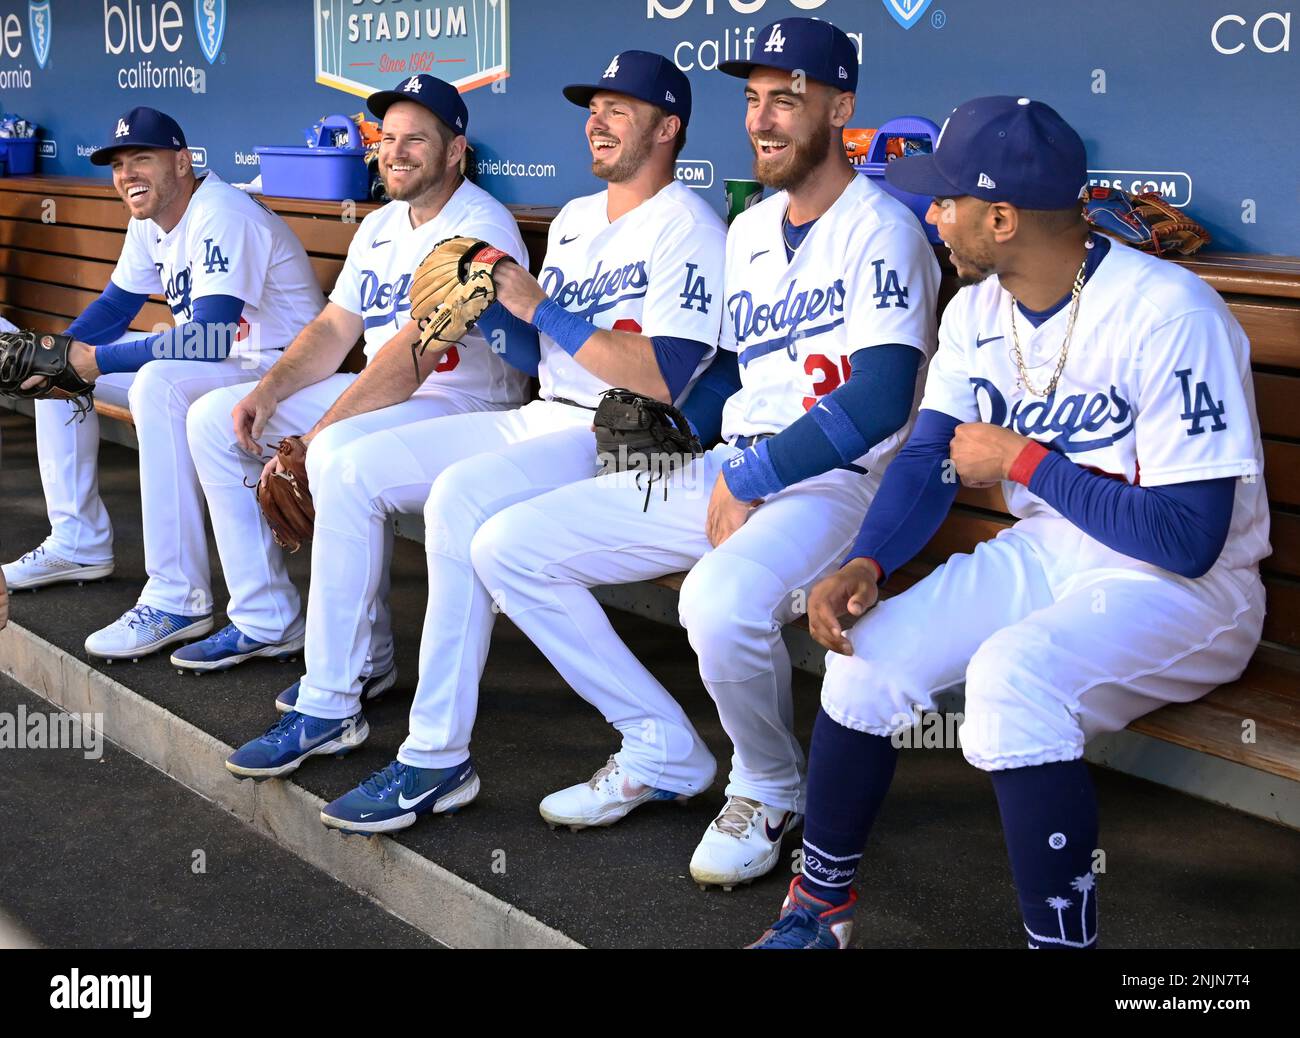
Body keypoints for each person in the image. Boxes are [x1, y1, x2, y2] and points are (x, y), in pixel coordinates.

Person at [748, 96, 1268, 949]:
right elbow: (926, 458)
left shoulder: (1170, 314)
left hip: (1187, 588)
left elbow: (1190, 538)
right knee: (865, 659)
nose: (931, 214)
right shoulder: (975, 308)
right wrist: (868, 562)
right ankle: (820, 908)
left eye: (945, 200)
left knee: (1010, 681)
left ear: (1000, 216)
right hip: (1051, 547)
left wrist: (1026, 463)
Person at [472, 17, 940, 890]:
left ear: (841, 106)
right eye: (754, 100)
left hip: (837, 484)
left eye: (788, 100)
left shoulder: (884, 229)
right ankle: (658, 748)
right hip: (735, 463)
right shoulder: (751, 229)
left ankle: (767, 786)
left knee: (717, 600)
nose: (763, 120)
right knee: (507, 545)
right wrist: (681, 437)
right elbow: (727, 379)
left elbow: (877, 402)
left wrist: (753, 474)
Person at [222, 50, 728, 829]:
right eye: (592, 107)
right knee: (345, 465)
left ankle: (434, 756)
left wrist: (531, 303)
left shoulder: (689, 224)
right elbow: (541, 357)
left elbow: (664, 375)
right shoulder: (578, 219)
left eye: (618, 110)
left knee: (462, 501)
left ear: (669, 129)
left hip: (623, 433)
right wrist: (485, 310)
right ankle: (330, 700)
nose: (596, 120)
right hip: (548, 411)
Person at [179, 75, 529, 676]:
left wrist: (311, 438)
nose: (394, 152)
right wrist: (269, 393)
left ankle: (364, 661)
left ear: (454, 152)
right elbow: (335, 328)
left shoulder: (479, 227)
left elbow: (410, 358)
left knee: (337, 451)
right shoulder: (380, 224)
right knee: (216, 418)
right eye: (386, 137)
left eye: (415, 140)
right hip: (391, 394)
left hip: (461, 405)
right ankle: (265, 618)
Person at [0, 107, 323, 663]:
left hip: (278, 368)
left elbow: (212, 337)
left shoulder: (220, 211)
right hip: (224, 365)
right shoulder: (148, 218)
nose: (128, 174)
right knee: (61, 373)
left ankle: (179, 596)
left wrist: (92, 358)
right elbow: (118, 304)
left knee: (157, 384)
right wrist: (62, 355)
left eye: (141, 159)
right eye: (119, 164)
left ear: (182, 161)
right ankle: (77, 540)